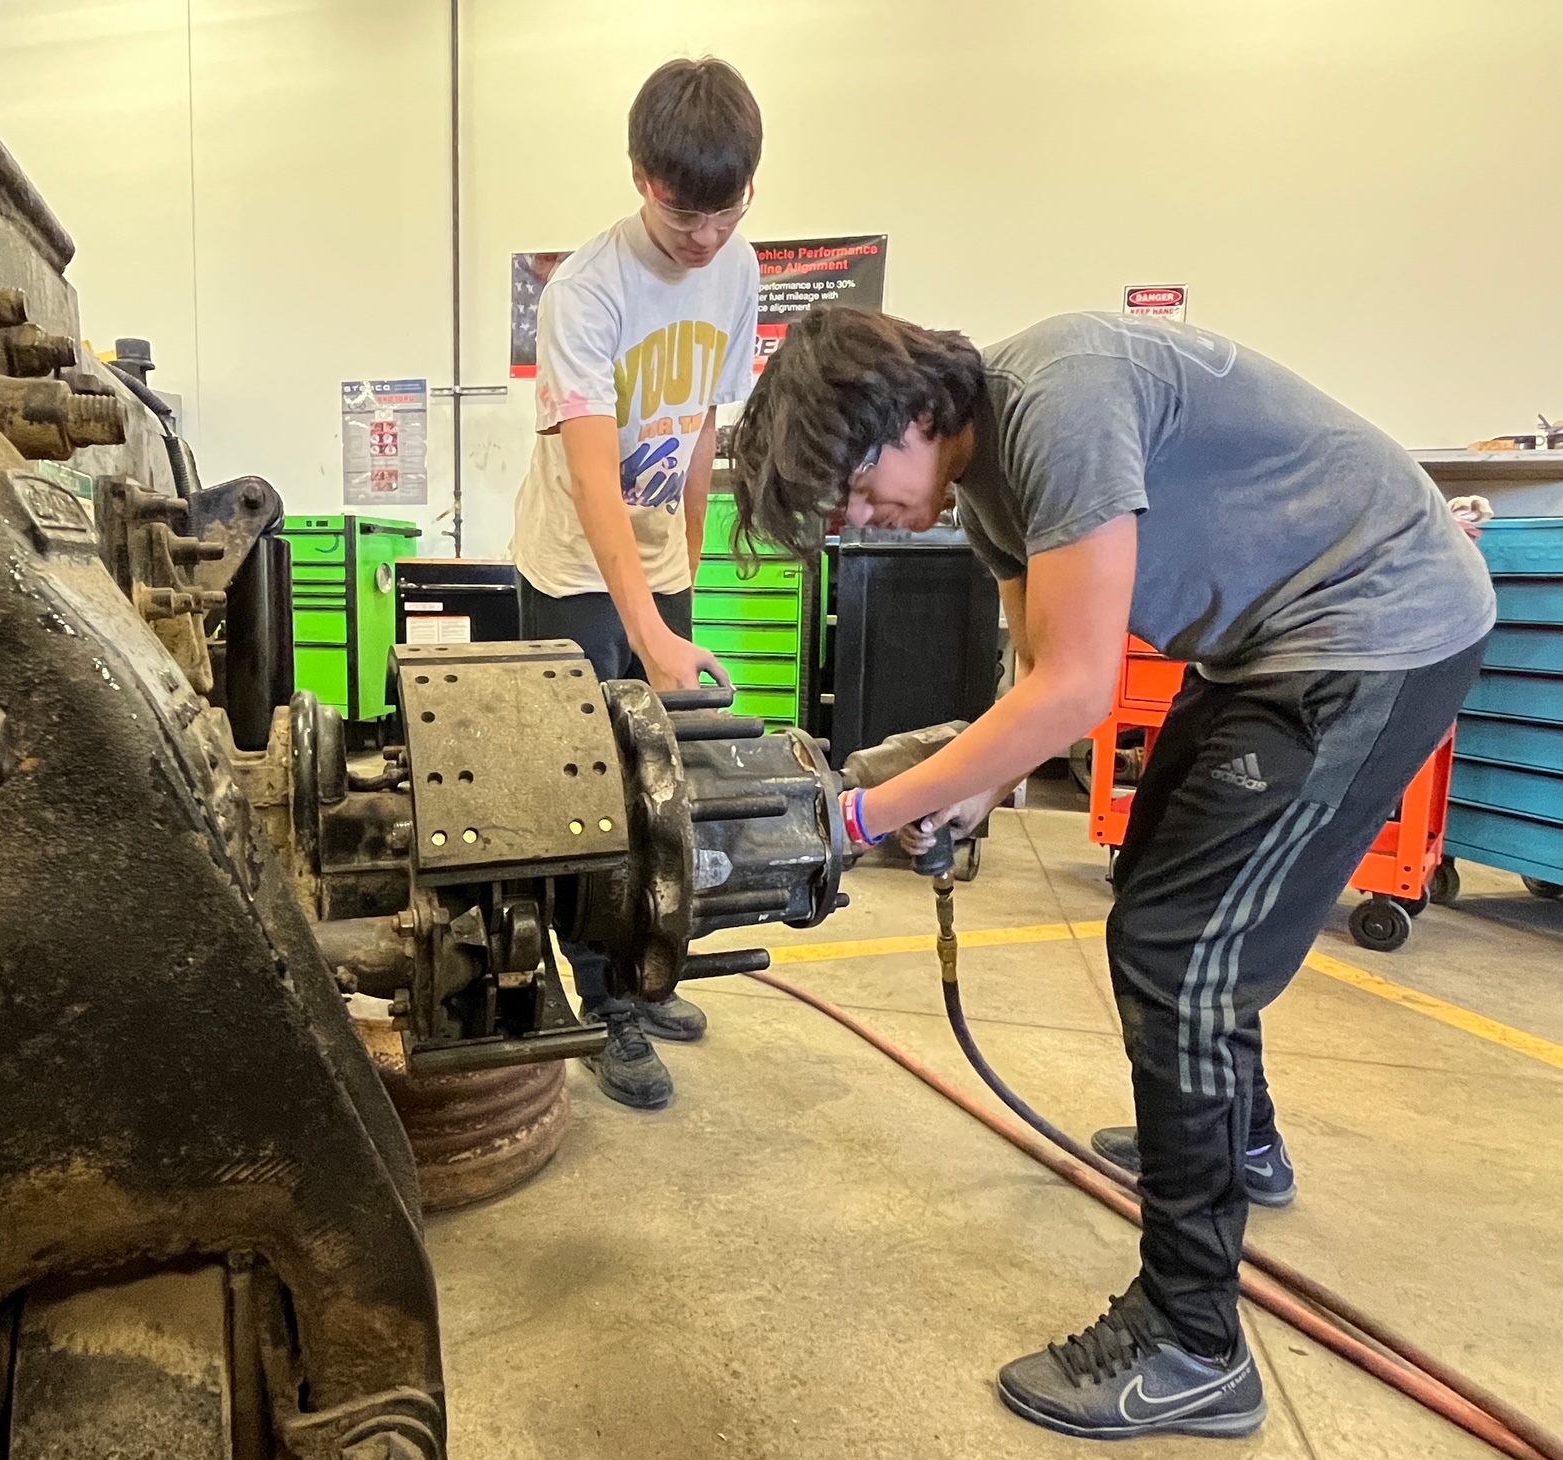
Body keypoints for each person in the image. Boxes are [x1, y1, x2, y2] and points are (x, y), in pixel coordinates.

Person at [729, 307, 1495, 1440]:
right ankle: (1237, 1138)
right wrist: (970, 787)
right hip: (1268, 645)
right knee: (1159, 884)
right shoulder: (984, 477)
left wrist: (857, 815)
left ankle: (1192, 1338)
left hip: (1375, 626)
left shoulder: (1060, 399)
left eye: (847, 486)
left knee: (1178, 949)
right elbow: (1040, 672)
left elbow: (1084, 691)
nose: (851, 520)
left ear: (910, 413)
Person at [510, 57, 763, 1112]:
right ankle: (600, 1005)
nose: (702, 239)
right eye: (680, 218)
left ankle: (645, 972)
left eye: (723, 213)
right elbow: (592, 474)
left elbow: (703, 425)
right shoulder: (584, 291)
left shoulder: (736, 265)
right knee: (592, 795)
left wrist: (687, 571)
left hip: (658, 558)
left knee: (671, 783)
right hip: (573, 567)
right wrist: (646, 630)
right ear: (638, 176)